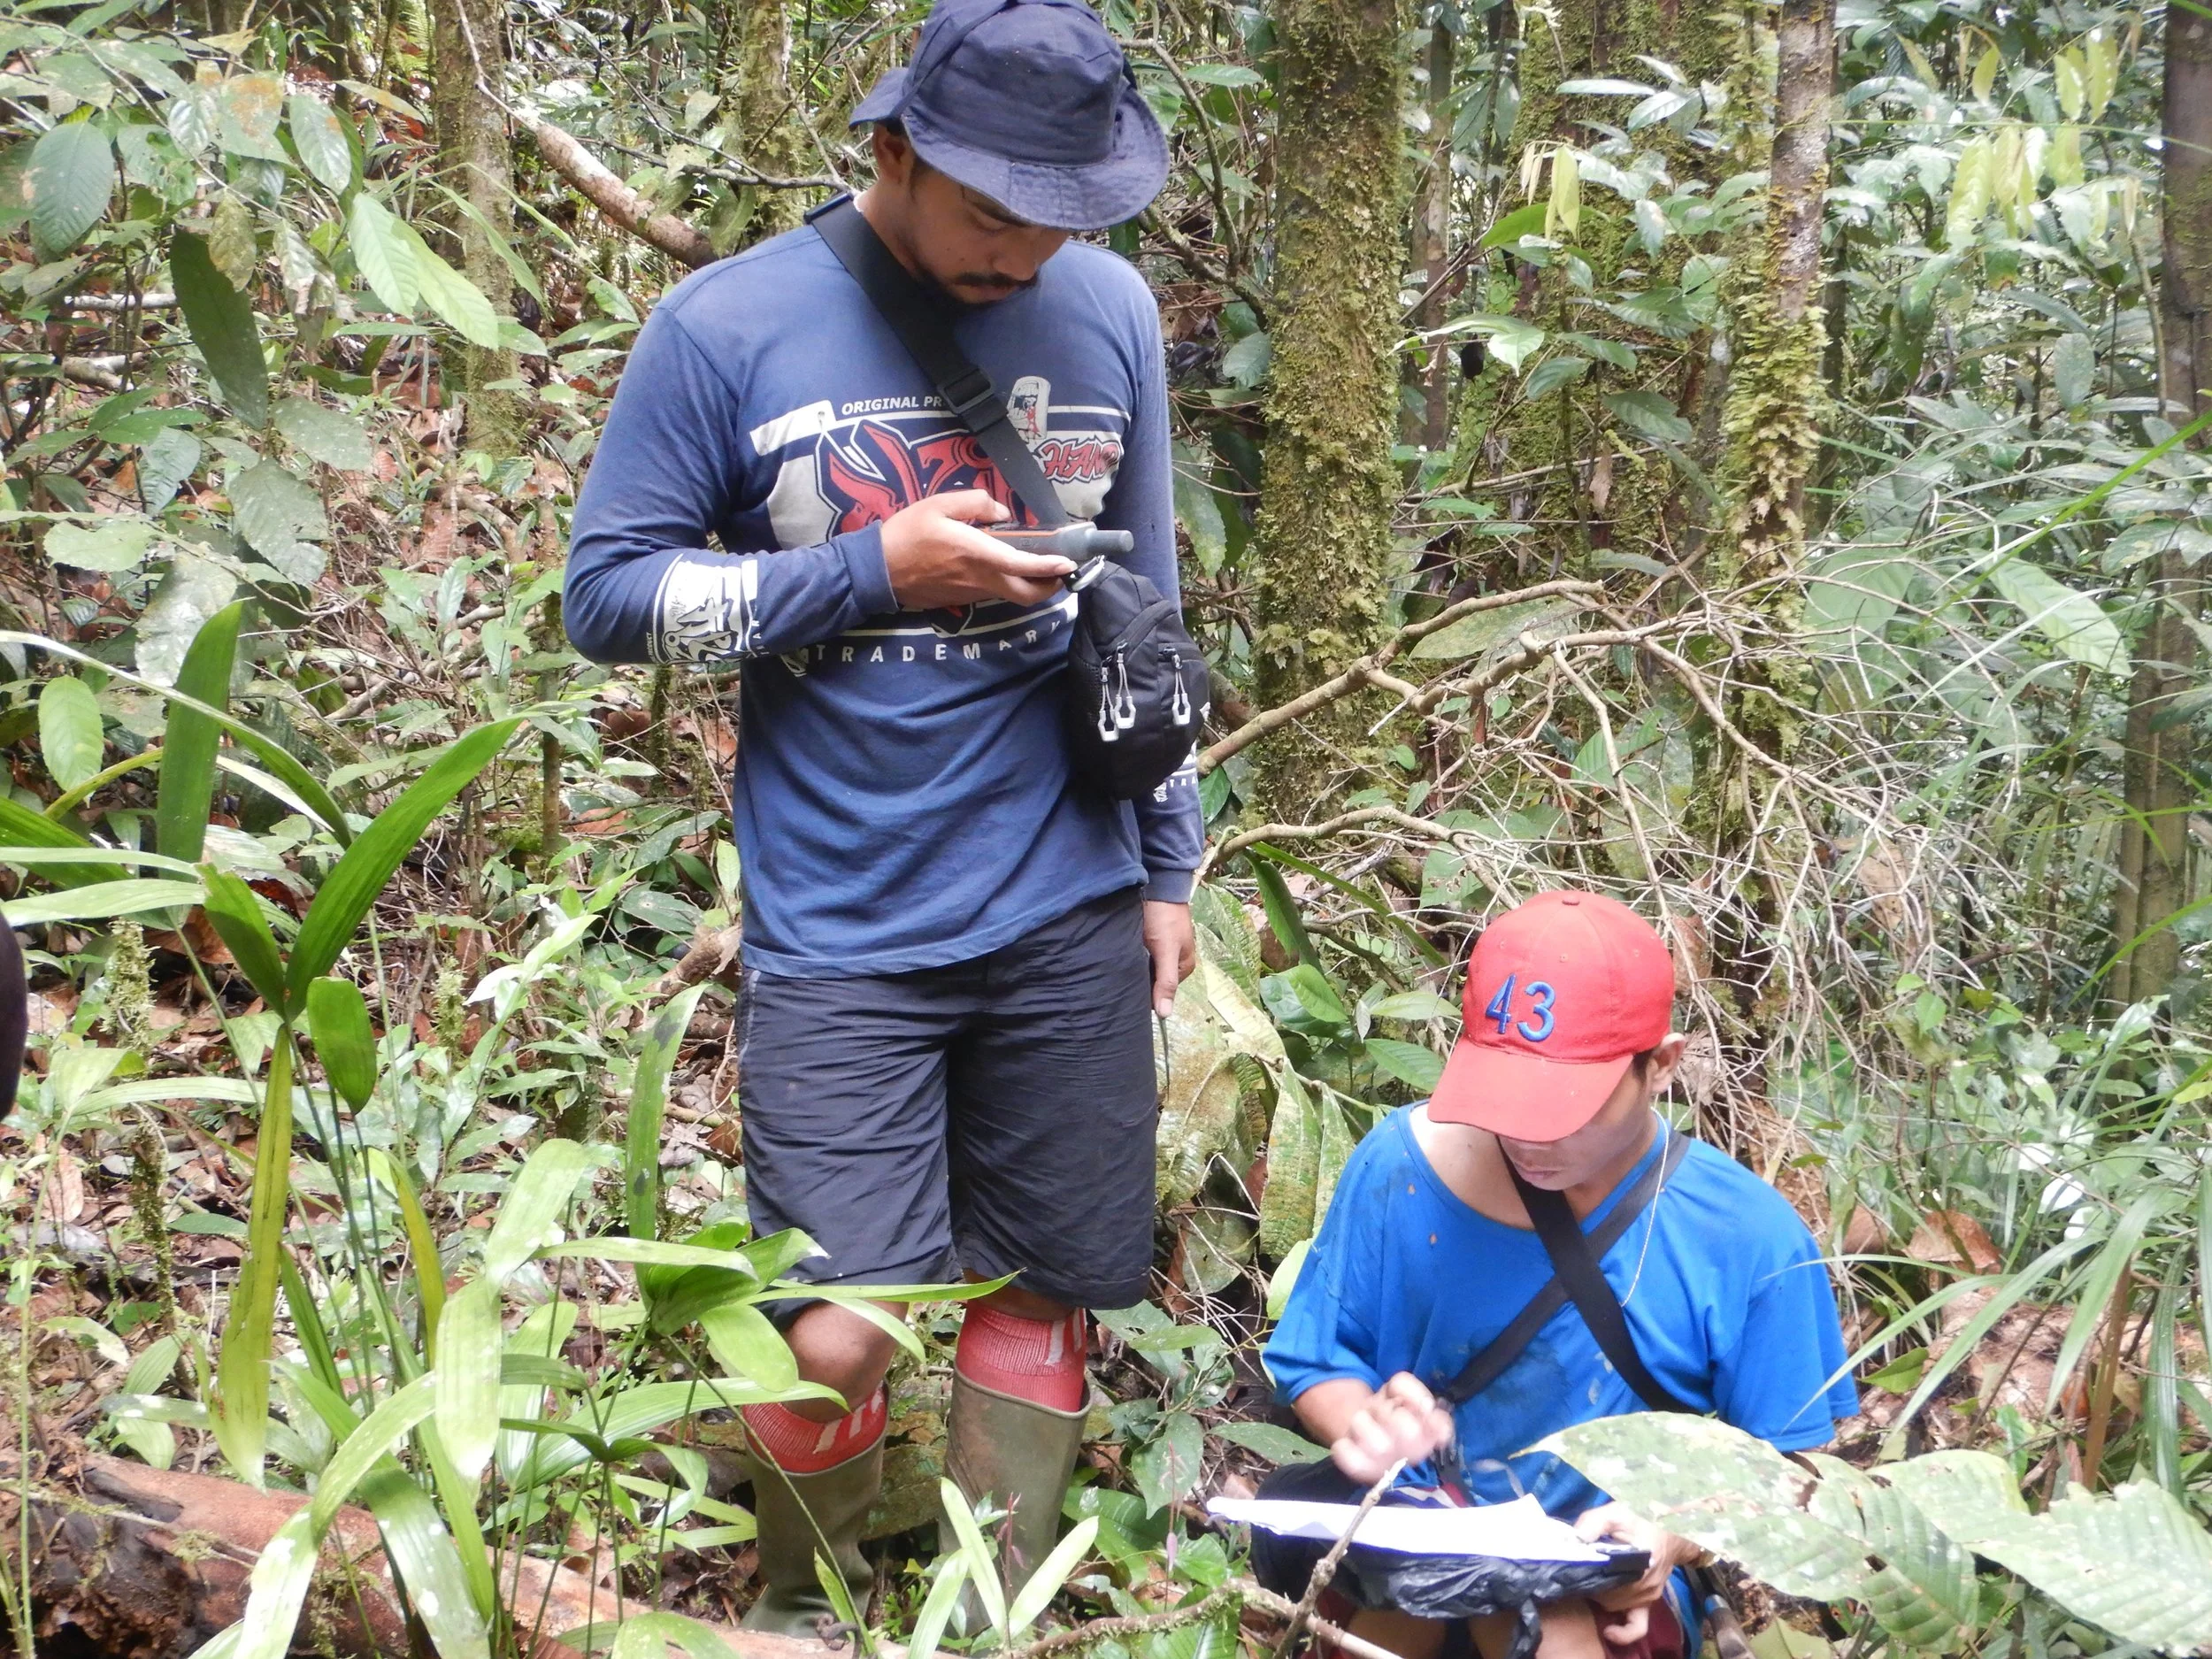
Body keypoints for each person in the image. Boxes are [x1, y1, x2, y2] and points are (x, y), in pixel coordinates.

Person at [561, 0, 1202, 1633]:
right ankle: (797, 1600)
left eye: (1066, 215)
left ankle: (984, 1615)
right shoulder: (730, 329)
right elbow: (609, 600)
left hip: (1065, 896)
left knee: (1043, 1300)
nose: (1031, 250)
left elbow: (1147, 611)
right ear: (892, 150)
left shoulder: (1110, 310)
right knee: (838, 1327)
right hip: (845, 916)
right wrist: (869, 570)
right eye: (994, 209)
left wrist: (1165, 860)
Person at [1260, 890, 1859, 1659]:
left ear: (1662, 1065)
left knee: (1558, 1627)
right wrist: (1368, 1424)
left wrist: (1674, 1535)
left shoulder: (1747, 1236)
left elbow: (1794, 1463)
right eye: (1507, 1095)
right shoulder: (1400, 1168)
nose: (1528, 1135)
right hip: (1408, 1562)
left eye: (1566, 1104)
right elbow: (1318, 1358)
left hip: (1600, 1589)